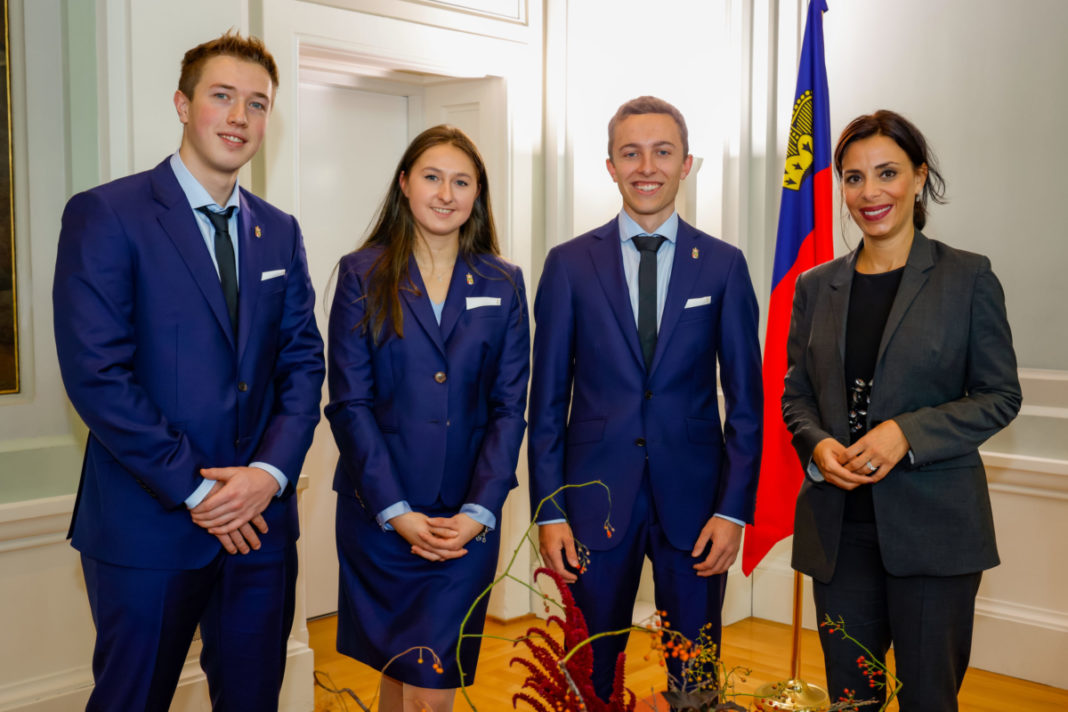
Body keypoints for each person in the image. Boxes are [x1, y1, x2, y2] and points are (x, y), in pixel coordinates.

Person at [52, 32, 325, 711]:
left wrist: (268, 475)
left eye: (257, 104)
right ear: (182, 104)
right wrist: (199, 492)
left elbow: (301, 363)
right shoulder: (107, 214)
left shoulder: (279, 231)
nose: (239, 117)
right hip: (148, 526)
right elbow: (97, 375)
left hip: (260, 527)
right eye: (222, 96)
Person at [783, 110, 1021, 711]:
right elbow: (796, 394)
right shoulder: (815, 286)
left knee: (929, 701)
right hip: (839, 534)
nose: (870, 192)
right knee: (850, 701)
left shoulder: (968, 277)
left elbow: (1000, 396)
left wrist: (905, 435)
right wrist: (815, 443)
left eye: (887, 173)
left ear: (919, 178)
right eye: (854, 177)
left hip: (935, 534)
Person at [528, 96, 763, 700]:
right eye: (630, 153)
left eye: (662, 151)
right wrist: (550, 511)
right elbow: (546, 401)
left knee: (695, 678)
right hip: (593, 503)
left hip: (698, 508)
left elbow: (746, 404)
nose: (647, 166)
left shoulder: (723, 266)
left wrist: (733, 510)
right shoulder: (569, 265)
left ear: (687, 164)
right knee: (590, 677)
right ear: (610, 166)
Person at [326, 125, 529, 712]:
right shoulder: (362, 274)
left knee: (432, 690)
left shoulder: (503, 281)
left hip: (465, 520)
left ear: (477, 194)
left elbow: (509, 407)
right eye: (432, 177)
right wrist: (395, 511)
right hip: (380, 514)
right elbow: (350, 403)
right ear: (404, 184)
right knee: (397, 672)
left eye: (461, 182)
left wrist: (479, 511)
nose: (446, 194)